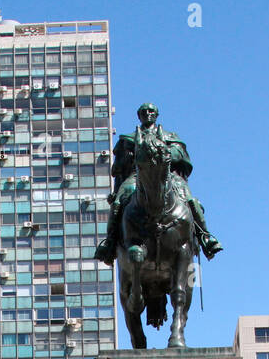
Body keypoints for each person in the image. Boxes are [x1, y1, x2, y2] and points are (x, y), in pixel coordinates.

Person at [93, 103, 223, 265]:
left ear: (156, 115)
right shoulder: (127, 139)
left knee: (190, 199)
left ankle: (205, 236)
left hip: (167, 175)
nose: (148, 113)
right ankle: (110, 242)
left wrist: (164, 151)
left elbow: (181, 155)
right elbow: (119, 168)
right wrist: (116, 190)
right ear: (139, 116)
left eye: (151, 111)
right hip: (137, 176)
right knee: (119, 201)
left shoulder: (171, 137)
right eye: (144, 111)